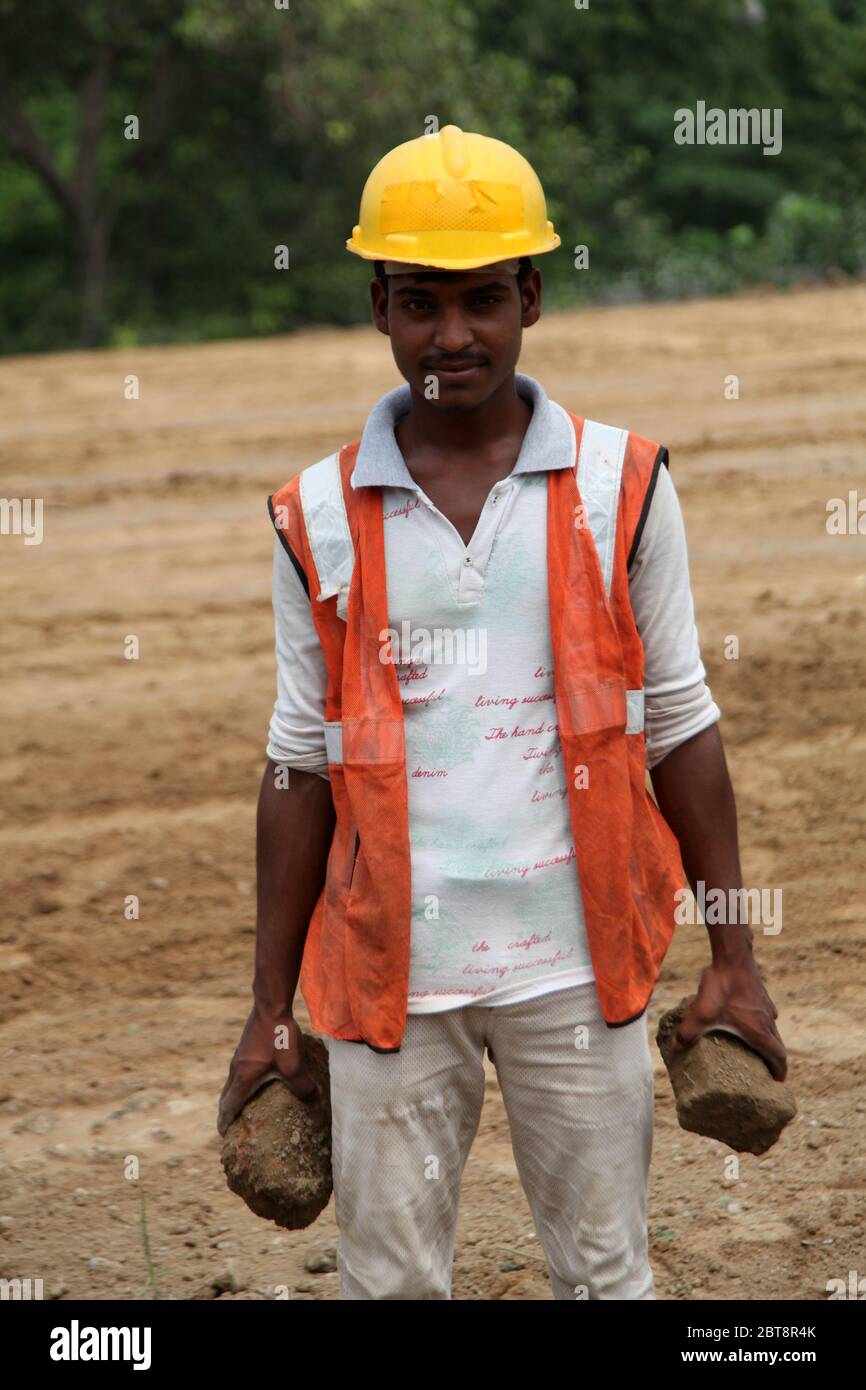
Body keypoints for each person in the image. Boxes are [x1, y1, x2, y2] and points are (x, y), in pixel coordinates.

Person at [217, 125, 787, 1300]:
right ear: (378, 305)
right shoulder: (316, 512)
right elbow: (297, 762)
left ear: (529, 293)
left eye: (481, 299)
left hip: (577, 966)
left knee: (603, 1274)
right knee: (391, 1285)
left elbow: (679, 721)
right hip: (389, 978)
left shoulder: (618, 485)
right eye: (420, 303)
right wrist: (270, 1010)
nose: (451, 336)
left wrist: (733, 953)